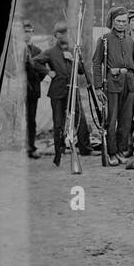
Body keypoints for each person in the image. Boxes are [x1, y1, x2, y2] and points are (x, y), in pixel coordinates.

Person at [31, 21, 92, 166]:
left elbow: (82, 71)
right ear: (56, 35)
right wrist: (48, 72)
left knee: (80, 120)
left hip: (73, 91)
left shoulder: (73, 50)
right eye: (61, 33)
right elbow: (35, 62)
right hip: (57, 92)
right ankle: (59, 153)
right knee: (58, 123)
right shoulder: (50, 52)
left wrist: (73, 59)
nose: (64, 35)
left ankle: (85, 148)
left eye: (66, 33)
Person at [92, 6, 134, 165]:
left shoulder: (130, 40)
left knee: (125, 121)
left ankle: (120, 150)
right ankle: (111, 152)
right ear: (112, 21)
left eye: (124, 21)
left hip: (129, 84)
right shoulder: (104, 40)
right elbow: (96, 63)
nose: (121, 24)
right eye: (118, 21)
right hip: (112, 84)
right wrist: (97, 87)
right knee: (111, 121)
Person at [22, 20, 45, 159]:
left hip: (32, 90)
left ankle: (31, 147)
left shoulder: (37, 51)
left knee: (31, 119)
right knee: (18, 121)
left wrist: (35, 81)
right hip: (18, 91)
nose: (27, 34)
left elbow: (43, 72)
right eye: (25, 31)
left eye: (30, 31)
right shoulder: (14, 50)